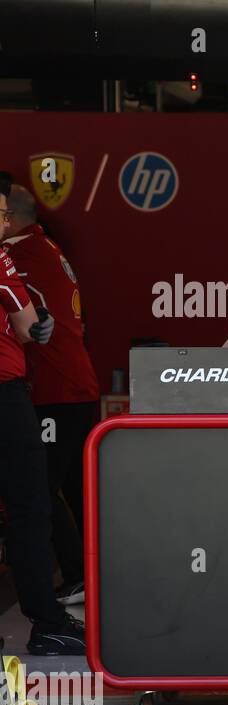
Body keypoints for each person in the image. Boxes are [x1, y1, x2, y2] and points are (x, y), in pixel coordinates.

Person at [2, 186, 97, 605]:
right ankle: (86, 575)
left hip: (54, 388)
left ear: (13, 220)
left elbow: (25, 324)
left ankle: (71, 578)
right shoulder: (47, 247)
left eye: (4, 216)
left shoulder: (18, 256)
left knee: (36, 489)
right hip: (74, 384)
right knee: (72, 488)